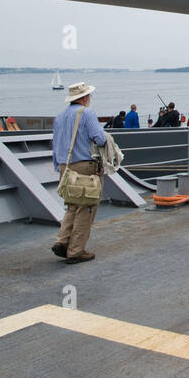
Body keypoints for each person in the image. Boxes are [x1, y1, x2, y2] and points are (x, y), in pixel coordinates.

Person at [51, 82, 106, 264]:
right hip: (84, 166)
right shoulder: (86, 113)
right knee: (86, 207)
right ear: (84, 98)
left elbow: (56, 143)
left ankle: (62, 241)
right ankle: (75, 251)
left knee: (72, 205)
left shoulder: (59, 117)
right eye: (89, 95)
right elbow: (100, 138)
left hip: (64, 166)